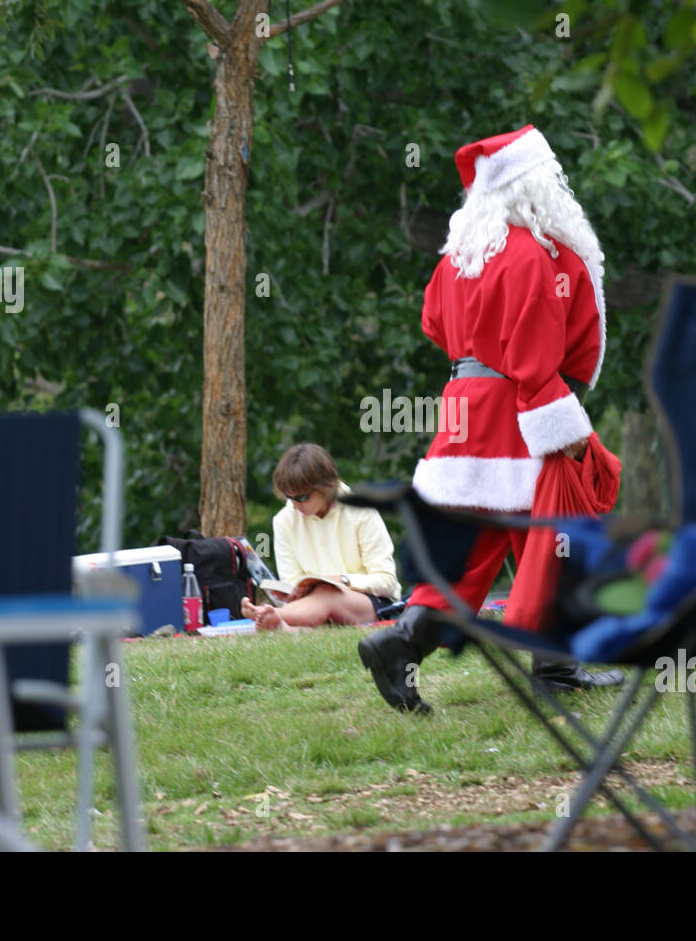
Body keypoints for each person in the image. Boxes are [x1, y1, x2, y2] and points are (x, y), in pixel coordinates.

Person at [357, 124, 625, 714]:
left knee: (473, 544)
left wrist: (477, 353)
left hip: (464, 403)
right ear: (531, 185)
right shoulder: (533, 254)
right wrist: (562, 422)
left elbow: (432, 323)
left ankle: (400, 642)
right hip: (520, 406)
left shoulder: (461, 257)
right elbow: (533, 353)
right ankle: (556, 667)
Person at [242, 443, 401, 633]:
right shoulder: (284, 520)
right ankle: (284, 626)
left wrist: (342, 580)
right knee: (321, 595)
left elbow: (387, 581)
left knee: (326, 593)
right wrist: (290, 593)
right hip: (313, 605)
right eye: (290, 497)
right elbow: (291, 582)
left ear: (326, 487)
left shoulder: (362, 510)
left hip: (373, 603)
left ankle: (271, 616)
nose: (295, 505)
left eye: (302, 498)